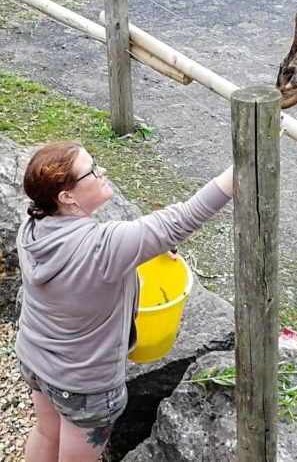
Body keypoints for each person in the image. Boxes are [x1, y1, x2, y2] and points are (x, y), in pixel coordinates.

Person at [15, 140, 234, 462]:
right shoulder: (105, 246)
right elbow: (183, 218)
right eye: (91, 171)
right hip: (83, 386)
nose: (101, 171)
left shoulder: (32, 227)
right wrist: (244, 163)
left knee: (46, 433)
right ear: (67, 197)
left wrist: (143, 248)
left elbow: (88, 264)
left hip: (34, 358)